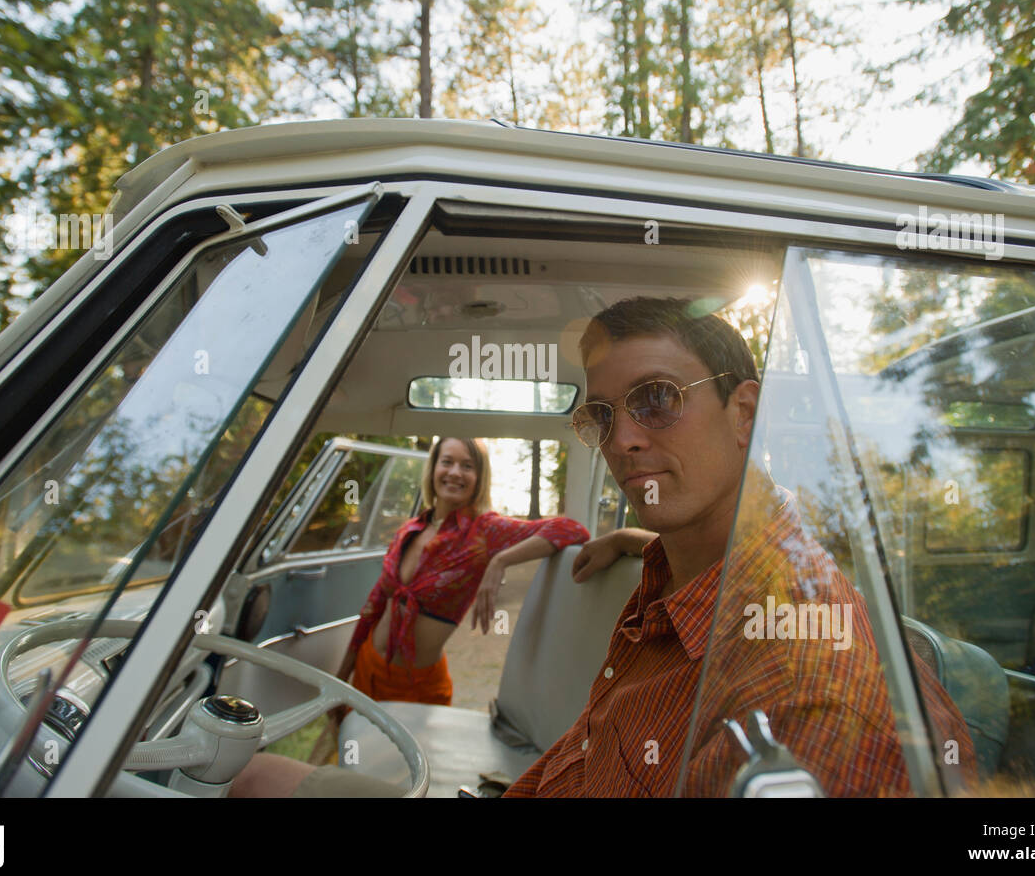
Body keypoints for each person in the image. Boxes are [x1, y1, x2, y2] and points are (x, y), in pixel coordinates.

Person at [504, 297, 974, 798]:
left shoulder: (804, 701)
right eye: (602, 415)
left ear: (744, 414)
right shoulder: (681, 574)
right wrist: (627, 539)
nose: (621, 441)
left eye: (657, 398)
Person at [231, 435, 588, 797]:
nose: (455, 472)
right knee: (354, 769)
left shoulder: (486, 531)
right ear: (432, 468)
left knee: (403, 781)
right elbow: (373, 606)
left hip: (418, 684)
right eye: (447, 461)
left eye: (468, 466)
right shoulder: (410, 529)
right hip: (370, 667)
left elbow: (571, 530)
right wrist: (343, 674)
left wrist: (501, 560)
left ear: (480, 478)